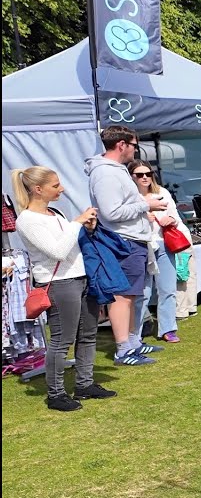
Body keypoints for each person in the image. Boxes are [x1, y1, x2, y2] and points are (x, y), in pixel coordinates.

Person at [12, 167, 116, 411]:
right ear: (38, 189)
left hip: (80, 278)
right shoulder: (27, 220)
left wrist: (86, 228)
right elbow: (56, 251)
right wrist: (76, 222)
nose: (62, 189)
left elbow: (69, 245)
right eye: (56, 185)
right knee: (62, 340)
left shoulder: (54, 212)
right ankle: (56, 394)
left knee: (88, 335)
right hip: (58, 284)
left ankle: (84, 384)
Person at [85, 125, 169, 366]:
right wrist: (146, 205)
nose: (135, 150)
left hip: (132, 240)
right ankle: (123, 349)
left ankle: (133, 342)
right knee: (122, 296)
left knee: (132, 295)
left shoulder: (114, 171)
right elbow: (111, 212)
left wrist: (143, 204)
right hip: (123, 242)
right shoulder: (106, 173)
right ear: (121, 145)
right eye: (134, 145)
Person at [127, 160, 188, 344]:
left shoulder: (162, 193)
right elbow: (121, 221)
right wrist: (143, 217)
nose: (145, 177)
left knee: (167, 289)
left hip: (163, 244)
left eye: (148, 173)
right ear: (131, 177)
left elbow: (175, 217)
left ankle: (168, 329)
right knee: (142, 293)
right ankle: (134, 334)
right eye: (139, 174)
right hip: (141, 245)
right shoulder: (129, 197)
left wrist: (171, 220)